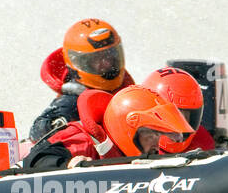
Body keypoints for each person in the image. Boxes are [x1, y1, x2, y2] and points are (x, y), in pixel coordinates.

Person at [21, 85, 192, 170]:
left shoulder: (120, 149)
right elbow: (34, 161)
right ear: (130, 127)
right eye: (154, 134)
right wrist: (69, 164)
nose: (157, 143)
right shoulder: (84, 140)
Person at [29, 18, 136, 143]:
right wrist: (56, 125)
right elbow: (36, 131)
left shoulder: (127, 86)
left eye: (110, 55)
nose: (107, 63)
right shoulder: (72, 100)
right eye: (97, 59)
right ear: (80, 63)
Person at [141, 67, 216, 154]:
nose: (178, 130)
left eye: (184, 119)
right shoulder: (134, 142)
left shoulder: (202, 143)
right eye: (170, 117)